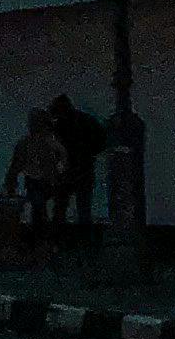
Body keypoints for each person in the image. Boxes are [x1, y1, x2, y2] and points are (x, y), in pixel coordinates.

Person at [6, 105, 73, 237]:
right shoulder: (29, 144)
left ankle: (49, 234)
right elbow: (15, 167)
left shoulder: (48, 143)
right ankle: (43, 236)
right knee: (39, 208)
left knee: (49, 208)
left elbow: (63, 160)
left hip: (48, 181)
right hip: (37, 182)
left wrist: (60, 174)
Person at [45, 91, 108, 229]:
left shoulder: (60, 126)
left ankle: (59, 237)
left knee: (62, 206)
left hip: (71, 171)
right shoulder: (86, 121)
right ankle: (83, 238)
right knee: (82, 207)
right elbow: (102, 141)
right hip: (82, 169)